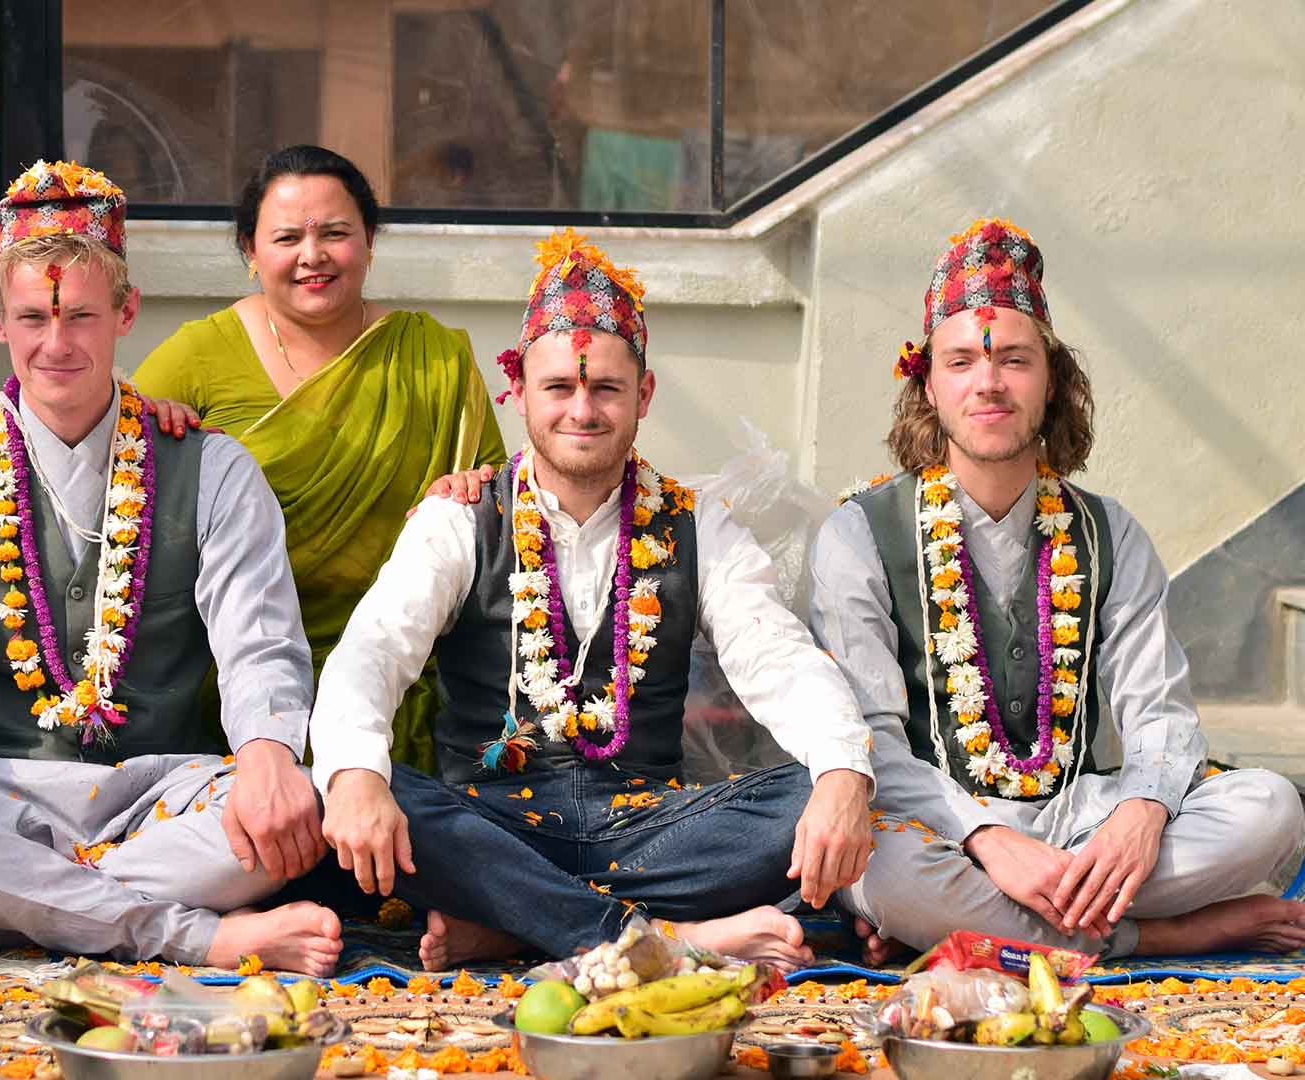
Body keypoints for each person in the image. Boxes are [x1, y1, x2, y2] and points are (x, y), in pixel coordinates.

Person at [311, 228, 876, 972]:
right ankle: (671, 940)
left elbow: (778, 657)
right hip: (492, 825)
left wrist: (841, 775)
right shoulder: (460, 519)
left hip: (652, 828)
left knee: (821, 793)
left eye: (606, 387)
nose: (582, 409)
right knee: (331, 786)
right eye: (559, 388)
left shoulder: (698, 525)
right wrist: (353, 776)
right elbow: (375, 650)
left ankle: (523, 924)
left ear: (643, 394)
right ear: (517, 391)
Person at [0, 160, 343, 975]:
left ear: (125, 312)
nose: (56, 345)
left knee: (298, 808)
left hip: (166, 794)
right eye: (32, 317)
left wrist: (270, 757)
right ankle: (194, 936)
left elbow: (260, 648)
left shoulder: (213, 469)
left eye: (80, 317)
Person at [811, 218, 1305, 965]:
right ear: (929, 387)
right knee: (878, 867)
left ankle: (980, 929)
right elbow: (872, 739)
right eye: (962, 363)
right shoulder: (856, 536)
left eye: (1014, 359)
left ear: (1052, 381)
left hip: (1080, 819)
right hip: (940, 827)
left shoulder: (1112, 533)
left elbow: (1158, 710)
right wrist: (988, 839)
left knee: (1270, 807)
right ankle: (1165, 933)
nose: (989, 383)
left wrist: (1141, 812)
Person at [134, 145, 506, 772]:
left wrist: (471, 488)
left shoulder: (432, 359)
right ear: (251, 253)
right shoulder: (194, 359)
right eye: (286, 238)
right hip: (231, 677)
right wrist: (147, 435)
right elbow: (115, 499)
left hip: (396, 677)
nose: (313, 255)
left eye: (336, 233)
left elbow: (501, 503)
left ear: (368, 243)